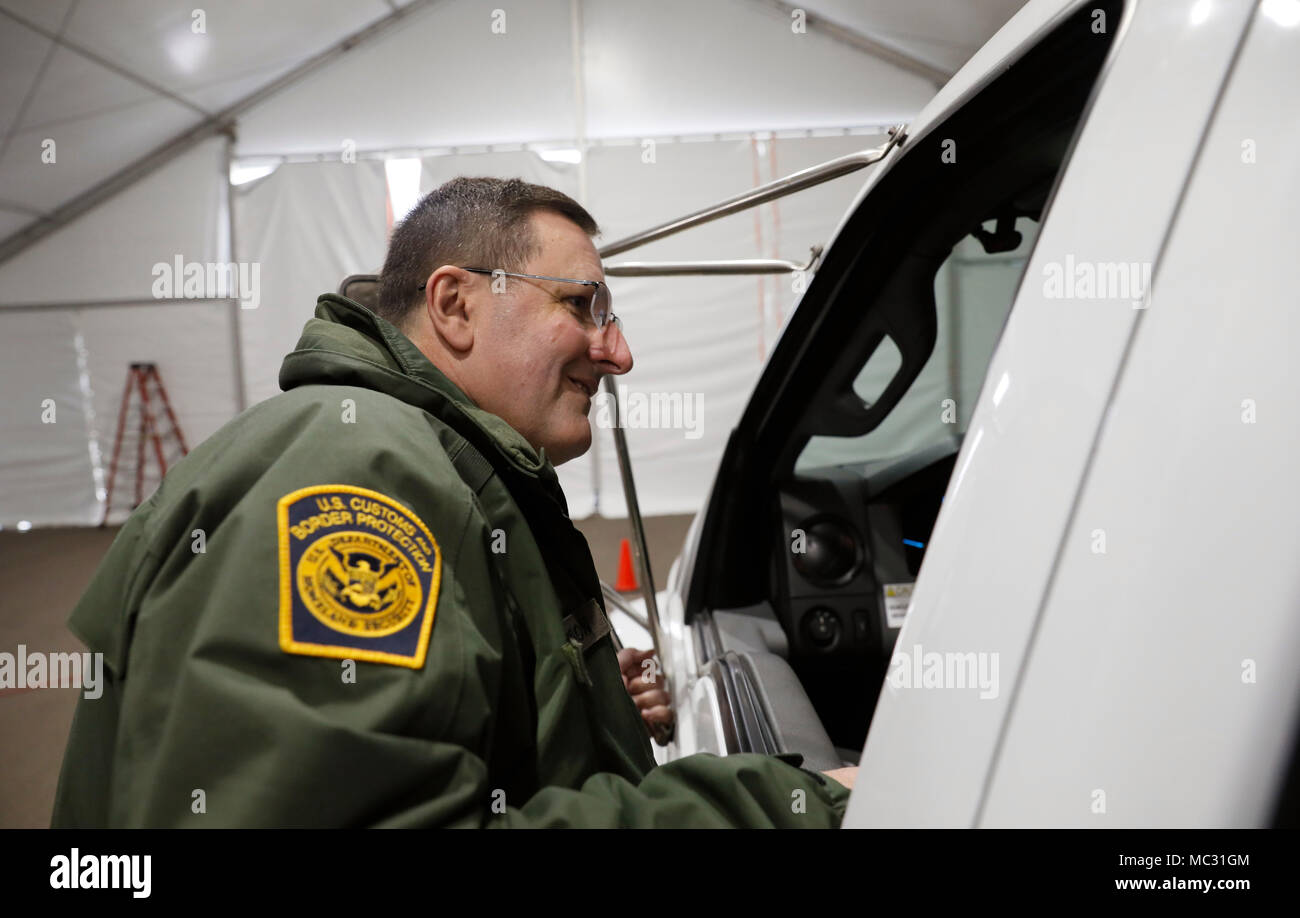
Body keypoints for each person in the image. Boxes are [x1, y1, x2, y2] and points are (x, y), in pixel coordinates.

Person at [51, 176, 854, 827]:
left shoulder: (438, 464)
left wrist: (592, 703)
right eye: (583, 306)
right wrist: (778, 808)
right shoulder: (355, 474)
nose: (618, 352)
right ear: (455, 304)